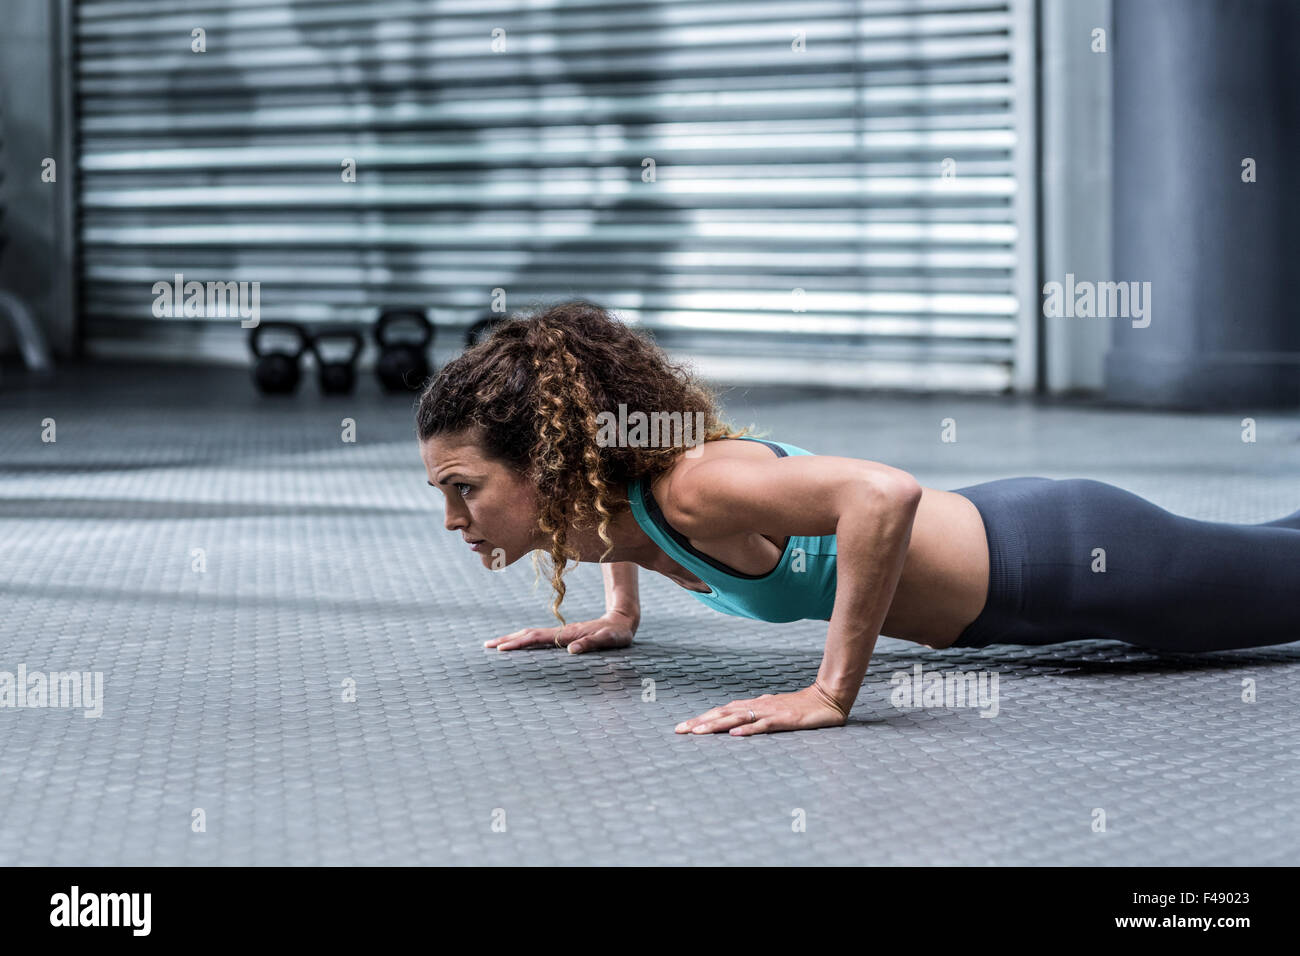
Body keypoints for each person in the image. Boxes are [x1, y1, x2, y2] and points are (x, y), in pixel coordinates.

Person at [416, 300, 1300, 736]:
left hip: (1076, 561)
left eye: (465, 487)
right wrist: (621, 614)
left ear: (553, 464)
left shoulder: (691, 490)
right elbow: (620, 527)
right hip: (1026, 557)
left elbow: (883, 494)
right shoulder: (614, 498)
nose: (456, 519)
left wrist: (829, 693)